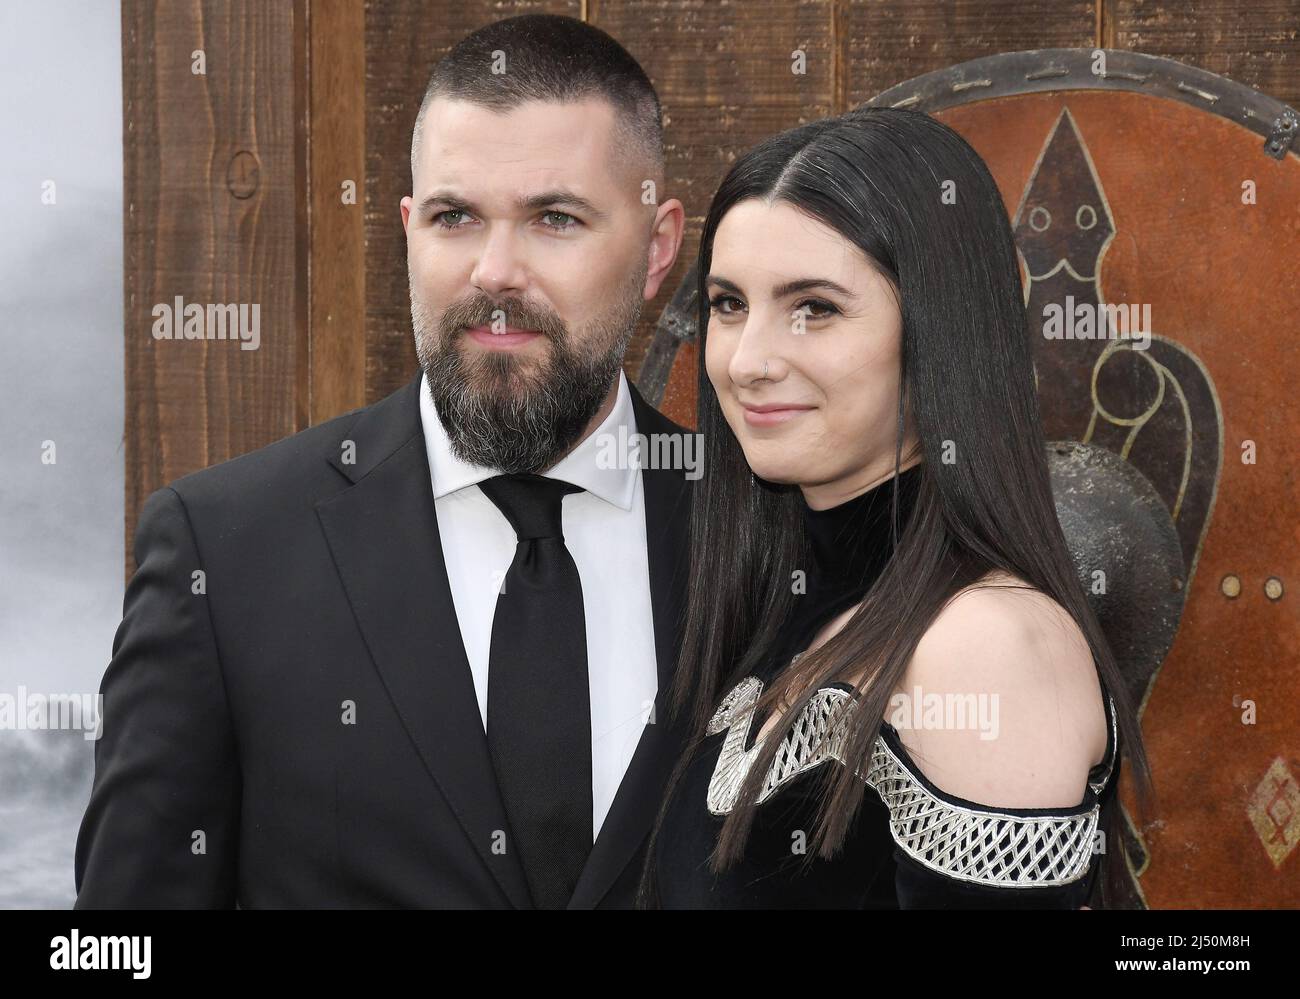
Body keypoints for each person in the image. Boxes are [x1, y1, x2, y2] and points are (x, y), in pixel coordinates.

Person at [75, 13, 690, 909]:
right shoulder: (225, 553)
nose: (495, 271)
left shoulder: (765, 530)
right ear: (407, 228)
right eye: (455, 216)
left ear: (656, 249)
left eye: (555, 218)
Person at [642, 106, 1153, 908]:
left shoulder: (986, 646)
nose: (747, 362)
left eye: (814, 307)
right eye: (729, 304)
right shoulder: (789, 605)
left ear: (939, 334)